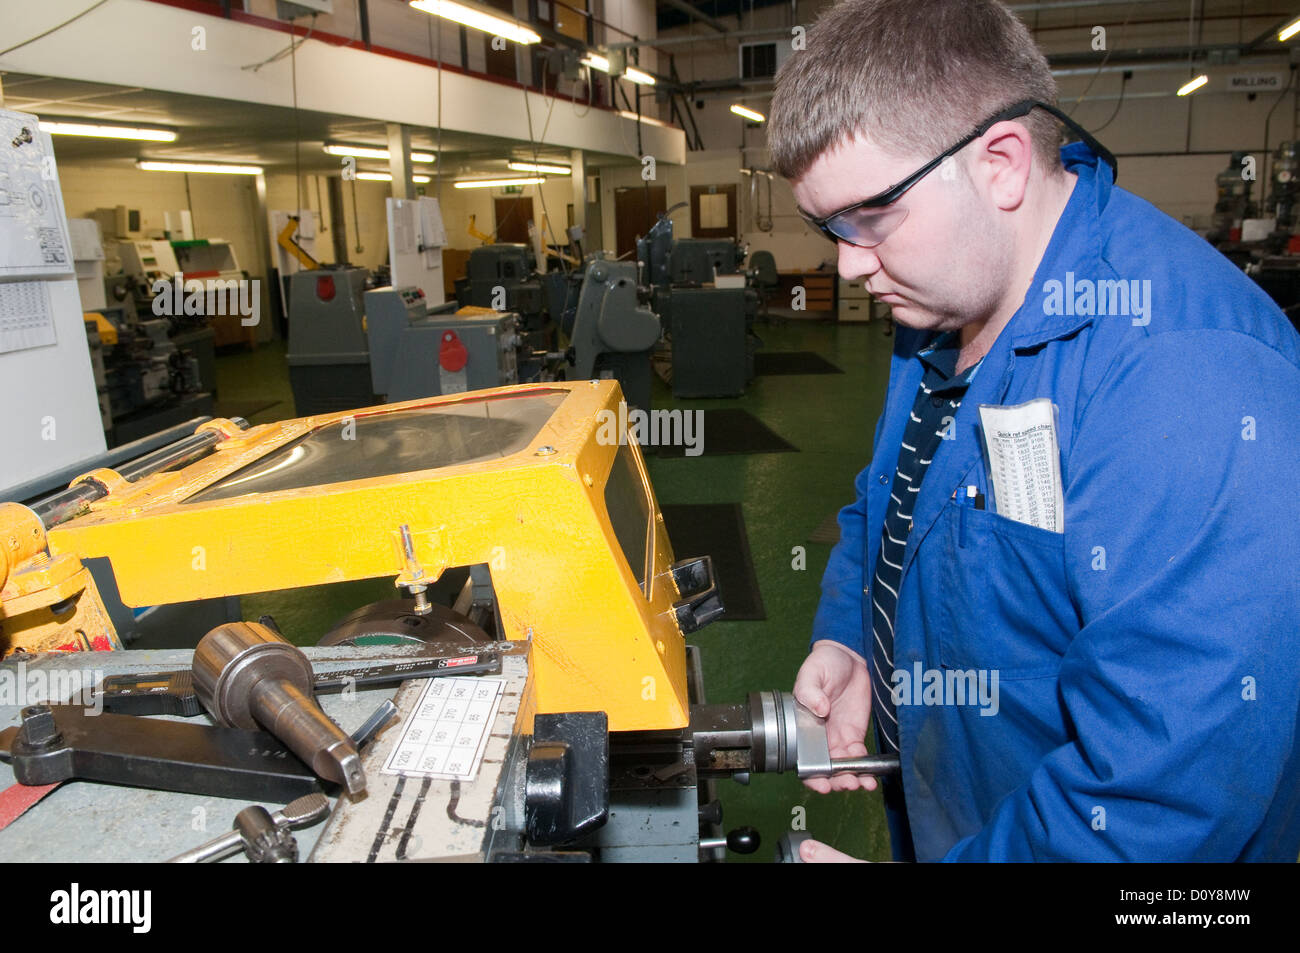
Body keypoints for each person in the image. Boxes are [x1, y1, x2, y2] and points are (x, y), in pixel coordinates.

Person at [768, 0, 1300, 862]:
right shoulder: (943, 305)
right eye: (827, 226)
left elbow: (1158, 801)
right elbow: (889, 497)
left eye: (869, 216)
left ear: (1003, 164)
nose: (847, 264)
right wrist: (848, 636)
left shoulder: (1186, 384)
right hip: (960, 807)